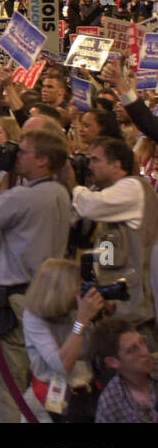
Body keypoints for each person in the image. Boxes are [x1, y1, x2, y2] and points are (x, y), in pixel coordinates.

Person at [0, 127, 74, 423]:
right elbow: (7, 209)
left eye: (23, 151)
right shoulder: (59, 192)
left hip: (14, 301)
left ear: (42, 161)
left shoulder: (24, 196)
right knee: (38, 386)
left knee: (8, 387)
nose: (15, 155)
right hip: (47, 297)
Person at [73, 137, 158, 332]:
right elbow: (109, 255)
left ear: (116, 165)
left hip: (136, 316)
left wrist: (74, 186)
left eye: (95, 160)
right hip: (115, 310)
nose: (89, 166)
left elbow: (89, 206)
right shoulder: (106, 195)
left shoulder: (134, 187)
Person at [22, 258, 107, 423]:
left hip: (83, 396)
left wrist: (102, 315)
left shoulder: (75, 310)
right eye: (78, 285)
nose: (81, 291)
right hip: (48, 400)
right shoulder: (33, 316)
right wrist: (81, 321)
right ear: (61, 289)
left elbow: (95, 351)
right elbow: (61, 365)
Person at [89, 318, 157, 423]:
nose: (145, 352)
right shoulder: (109, 403)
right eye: (133, 349)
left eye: (142, 342)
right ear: (113, 362)